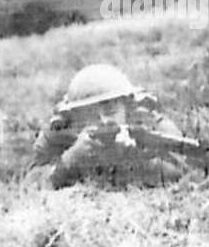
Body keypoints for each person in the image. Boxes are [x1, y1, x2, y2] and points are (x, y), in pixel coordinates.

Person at [31, 64, 187, 188]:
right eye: (91, 114)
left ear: (126, 105)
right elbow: (32, 184)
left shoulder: (148, 122)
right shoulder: (60, 130)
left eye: (111, 111)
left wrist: (137, 159)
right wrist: (70, 160)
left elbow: (183, 171)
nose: (103, 120)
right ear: (75, 114)